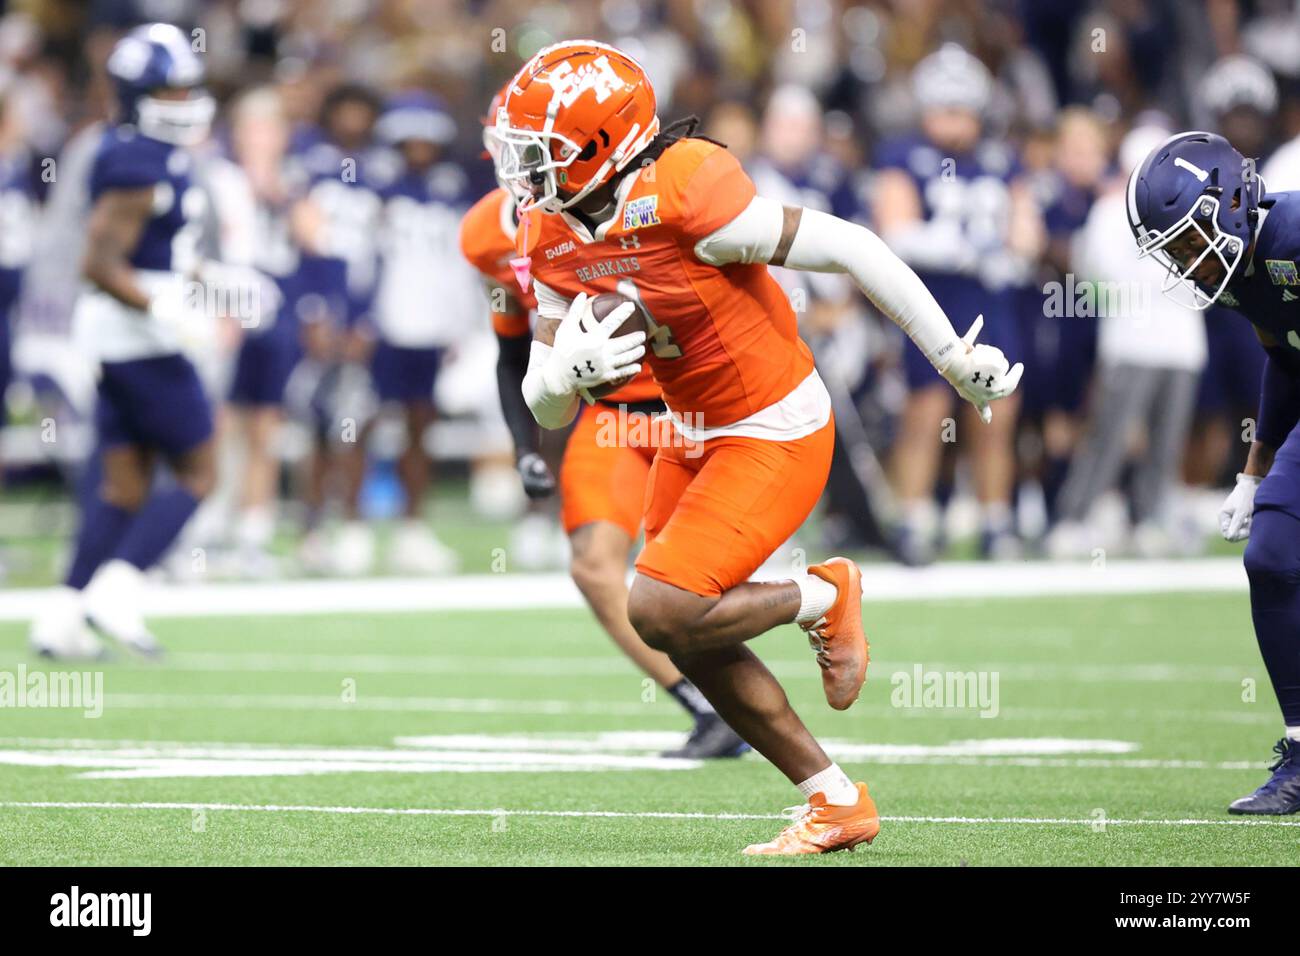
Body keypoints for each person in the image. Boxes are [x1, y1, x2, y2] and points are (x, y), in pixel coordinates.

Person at [497, 40, 1022, 853]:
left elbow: (851, 246)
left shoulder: (687, 186)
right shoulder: (550, 228)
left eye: (543, 154)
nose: (528, 175)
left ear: (603, 144)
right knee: (681, 629)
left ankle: (821, 595)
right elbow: (547, 407)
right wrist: (566, 373)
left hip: (775, 424)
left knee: (658, 606)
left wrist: (951, 357)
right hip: (690, 431)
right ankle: (834, 801)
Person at [460, 83, 747, 759]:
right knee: (595, 566)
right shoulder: (488, 236)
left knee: (694, 580)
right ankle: (704, 705)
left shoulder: (646, 197)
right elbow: (509, 346)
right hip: (614, 416)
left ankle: (808, 612)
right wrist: (522, 443)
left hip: (692, 406)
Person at [32, 24, 224, 656]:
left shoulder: (152, 152)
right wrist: (167, 308)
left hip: (122, 336)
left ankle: (60, 614)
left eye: (188, 88)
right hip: (139, 339)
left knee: (122, 487)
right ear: (137, 94)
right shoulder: (136, 157)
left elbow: (157, 250)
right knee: (200, 472)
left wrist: (211, 282)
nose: (185, 100)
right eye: (170, 91)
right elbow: (100, 262)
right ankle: (121, 585)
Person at [1128, 131, 1299, 814]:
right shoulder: (1245, 279)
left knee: (1281, 548)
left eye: (1190, 241)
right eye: (1173, 250)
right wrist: (1254, 476)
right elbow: (1288, 359)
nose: (1187, 262)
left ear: (1229, 203)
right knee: (1275, 555)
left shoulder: (1293, 235)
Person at [872, 44, 1042, 563]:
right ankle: (913, 518)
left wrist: (1013, 254)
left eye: (961, 110)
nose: (953, 121)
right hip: (929, 296)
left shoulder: (1001, 159)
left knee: (999, 407)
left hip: (990, 300)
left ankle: (995, 520)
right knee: (927, 410)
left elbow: (1028, 232)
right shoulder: (903, 156)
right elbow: (895, 232)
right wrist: (965, 249)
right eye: (944, 109)